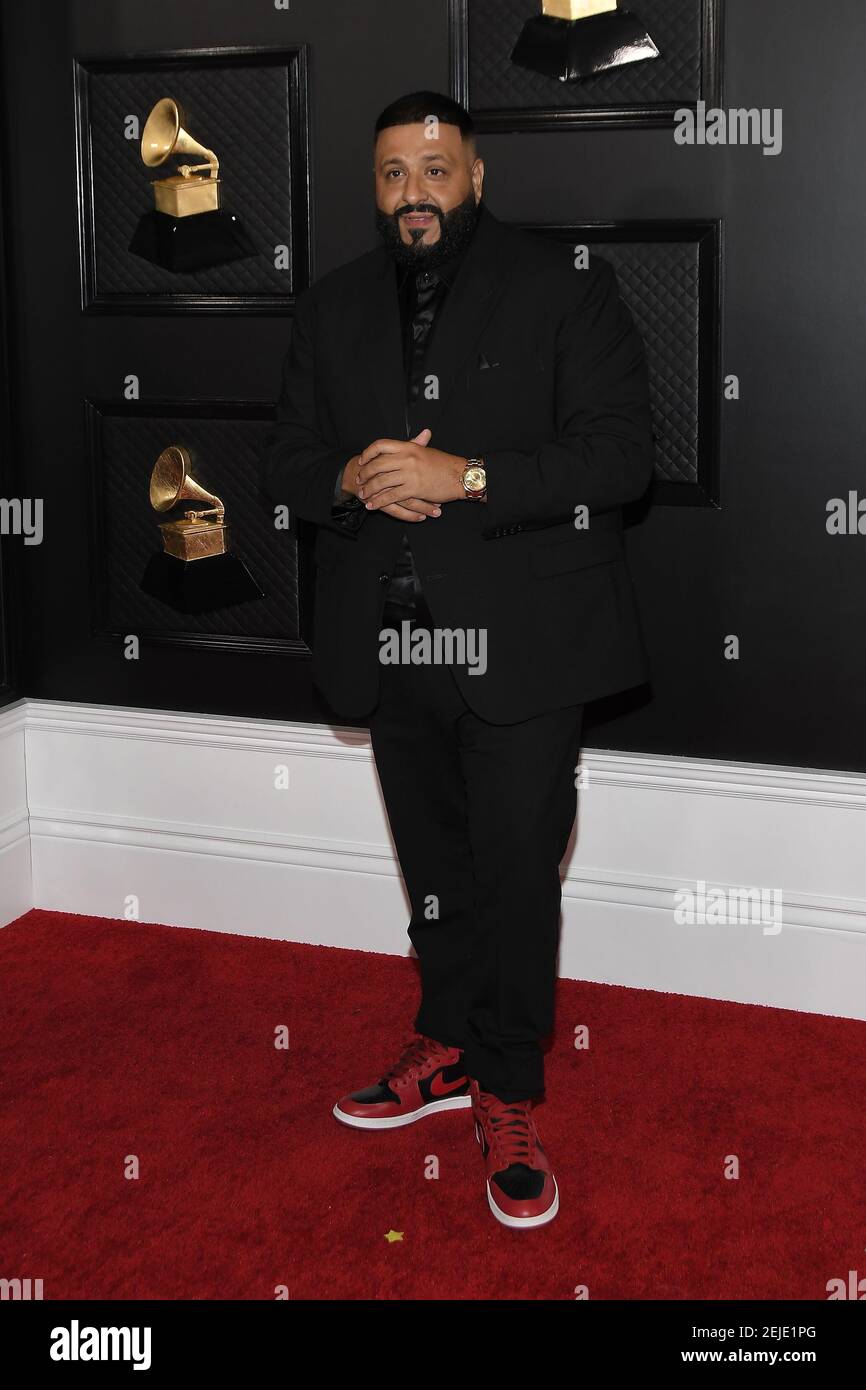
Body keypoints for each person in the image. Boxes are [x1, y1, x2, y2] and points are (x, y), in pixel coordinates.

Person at [261, 90, 655, 1229]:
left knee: (515, 868)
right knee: (431, 856)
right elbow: (285, 460)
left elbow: (620, 457)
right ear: (373, 188)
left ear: (474, 177)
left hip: (525, 640)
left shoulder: (562, 287)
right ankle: (443, 1045)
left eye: (434, 170)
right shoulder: (329, 306)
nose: (412, 193)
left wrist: (464, 476)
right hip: (389, 639)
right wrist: (349, 478)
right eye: (391, 174)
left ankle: (510, 1089)